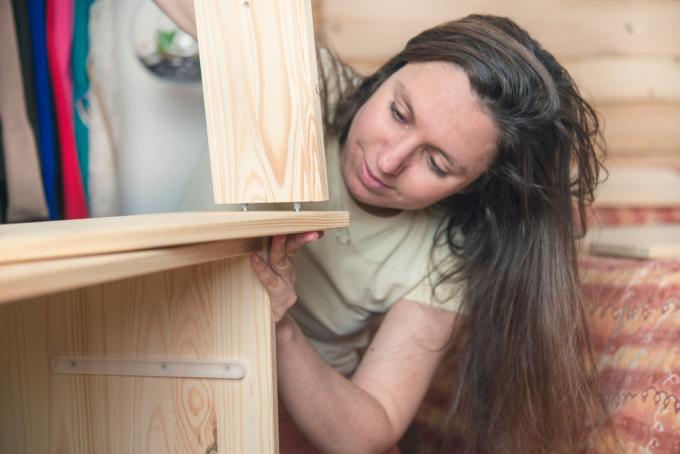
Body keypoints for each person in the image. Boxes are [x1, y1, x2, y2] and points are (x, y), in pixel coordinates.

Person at [156, 2, 609, 453]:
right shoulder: (308, 82)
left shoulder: (443, 253)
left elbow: (370, 429)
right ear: (387, 74)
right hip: (158, 348)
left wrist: (279, 325)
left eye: (435, 162)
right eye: (398, 113)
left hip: (289, 413)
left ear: (472, 186)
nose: (388, 162)